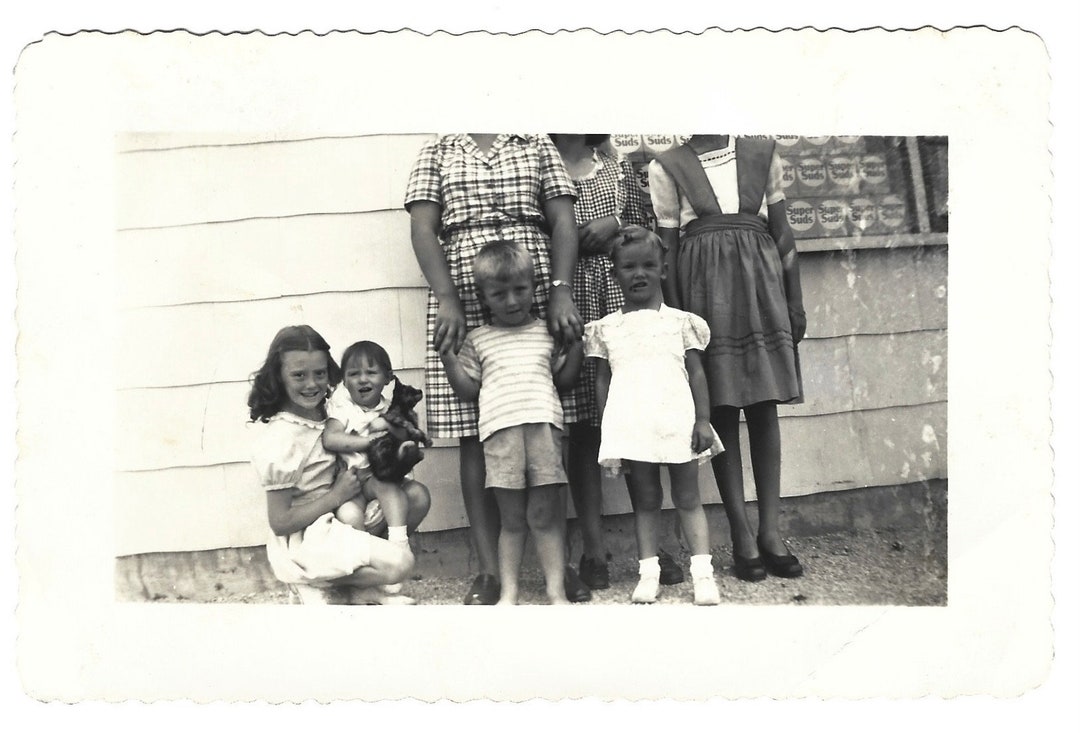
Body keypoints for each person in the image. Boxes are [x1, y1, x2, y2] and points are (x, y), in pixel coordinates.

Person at [405, 133, 588, 604]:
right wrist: (448, 298)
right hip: (463, 287)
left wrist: (561, 290)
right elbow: (423, 229)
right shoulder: (438, 149)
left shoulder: (536, 142)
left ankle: (560, 566)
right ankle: (489, 571)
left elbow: (562, 219)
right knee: (476, 430)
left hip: (530, 278)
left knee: (548, 424)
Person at [649, 135, 806, 581]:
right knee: (720, 409)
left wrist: (795, 300)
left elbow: (782, 233)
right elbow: (667, 248)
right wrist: (679, 320)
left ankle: (771, 531)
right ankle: (741, 533)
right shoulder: (667, 166)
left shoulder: (761, 154)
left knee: (764, 406)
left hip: (761, 288)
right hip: (704, 292)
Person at [550, 133, 685, 590]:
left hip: (619, 297)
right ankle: (593, 549)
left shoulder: (615, 164)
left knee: (635, 421)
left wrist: (616, 223)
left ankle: (654, 546)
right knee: (585, 427)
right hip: (573, 297)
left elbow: (648, 229)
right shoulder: (542, 163)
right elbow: (537, 231)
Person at [583, 227, 723, 605]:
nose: (639, 274)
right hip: (634, 425)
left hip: (677, 421)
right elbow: (603, 381)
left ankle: (703, 575)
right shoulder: (607, 328)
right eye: (628, 267)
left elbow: (696, 374)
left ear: (663, 269)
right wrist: (611, 429)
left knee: (687, 496)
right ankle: (649, 573)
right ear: (615, 274)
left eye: (648, 265)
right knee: (645, 499)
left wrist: (703, 420)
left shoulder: (680, 322)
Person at [440, 241, 584, 605]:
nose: (512, 301)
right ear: (483, 297)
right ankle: (509, 593)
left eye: (520, 289)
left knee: (544, 516)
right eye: (499, 294)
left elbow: (564, 380)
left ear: (534, 286)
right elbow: (468, 390)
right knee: (513, 519)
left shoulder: (547, 332)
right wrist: (449, 360)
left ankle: (555, 591)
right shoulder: (478, 340)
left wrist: (576, 346)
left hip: (543, 431)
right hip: (501, 436)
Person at [247, 325, 428, 605]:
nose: (312, 384)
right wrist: (336, 495)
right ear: (278, 376)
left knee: (416, 496)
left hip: (343, 511)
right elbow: (280, 523)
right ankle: (309, 581)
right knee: (401, 563)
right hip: (309, 534)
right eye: (299, 375)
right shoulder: (281, 438)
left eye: (320, 374)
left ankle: (359, 589)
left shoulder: (329, 410)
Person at [322, 340, 432, 581]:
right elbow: (331, 439)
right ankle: (372, 567)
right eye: (354, 374)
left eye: (371, 372)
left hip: (383, 479)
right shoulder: (343, 409)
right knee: (349, 516)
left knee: (417, 493)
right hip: (353, 485)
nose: (363, 379)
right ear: (344, 381)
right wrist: (369, 442)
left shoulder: (391, 410)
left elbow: (406, 436)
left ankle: (397, 547)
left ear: (388, 378)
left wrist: (392, 428)